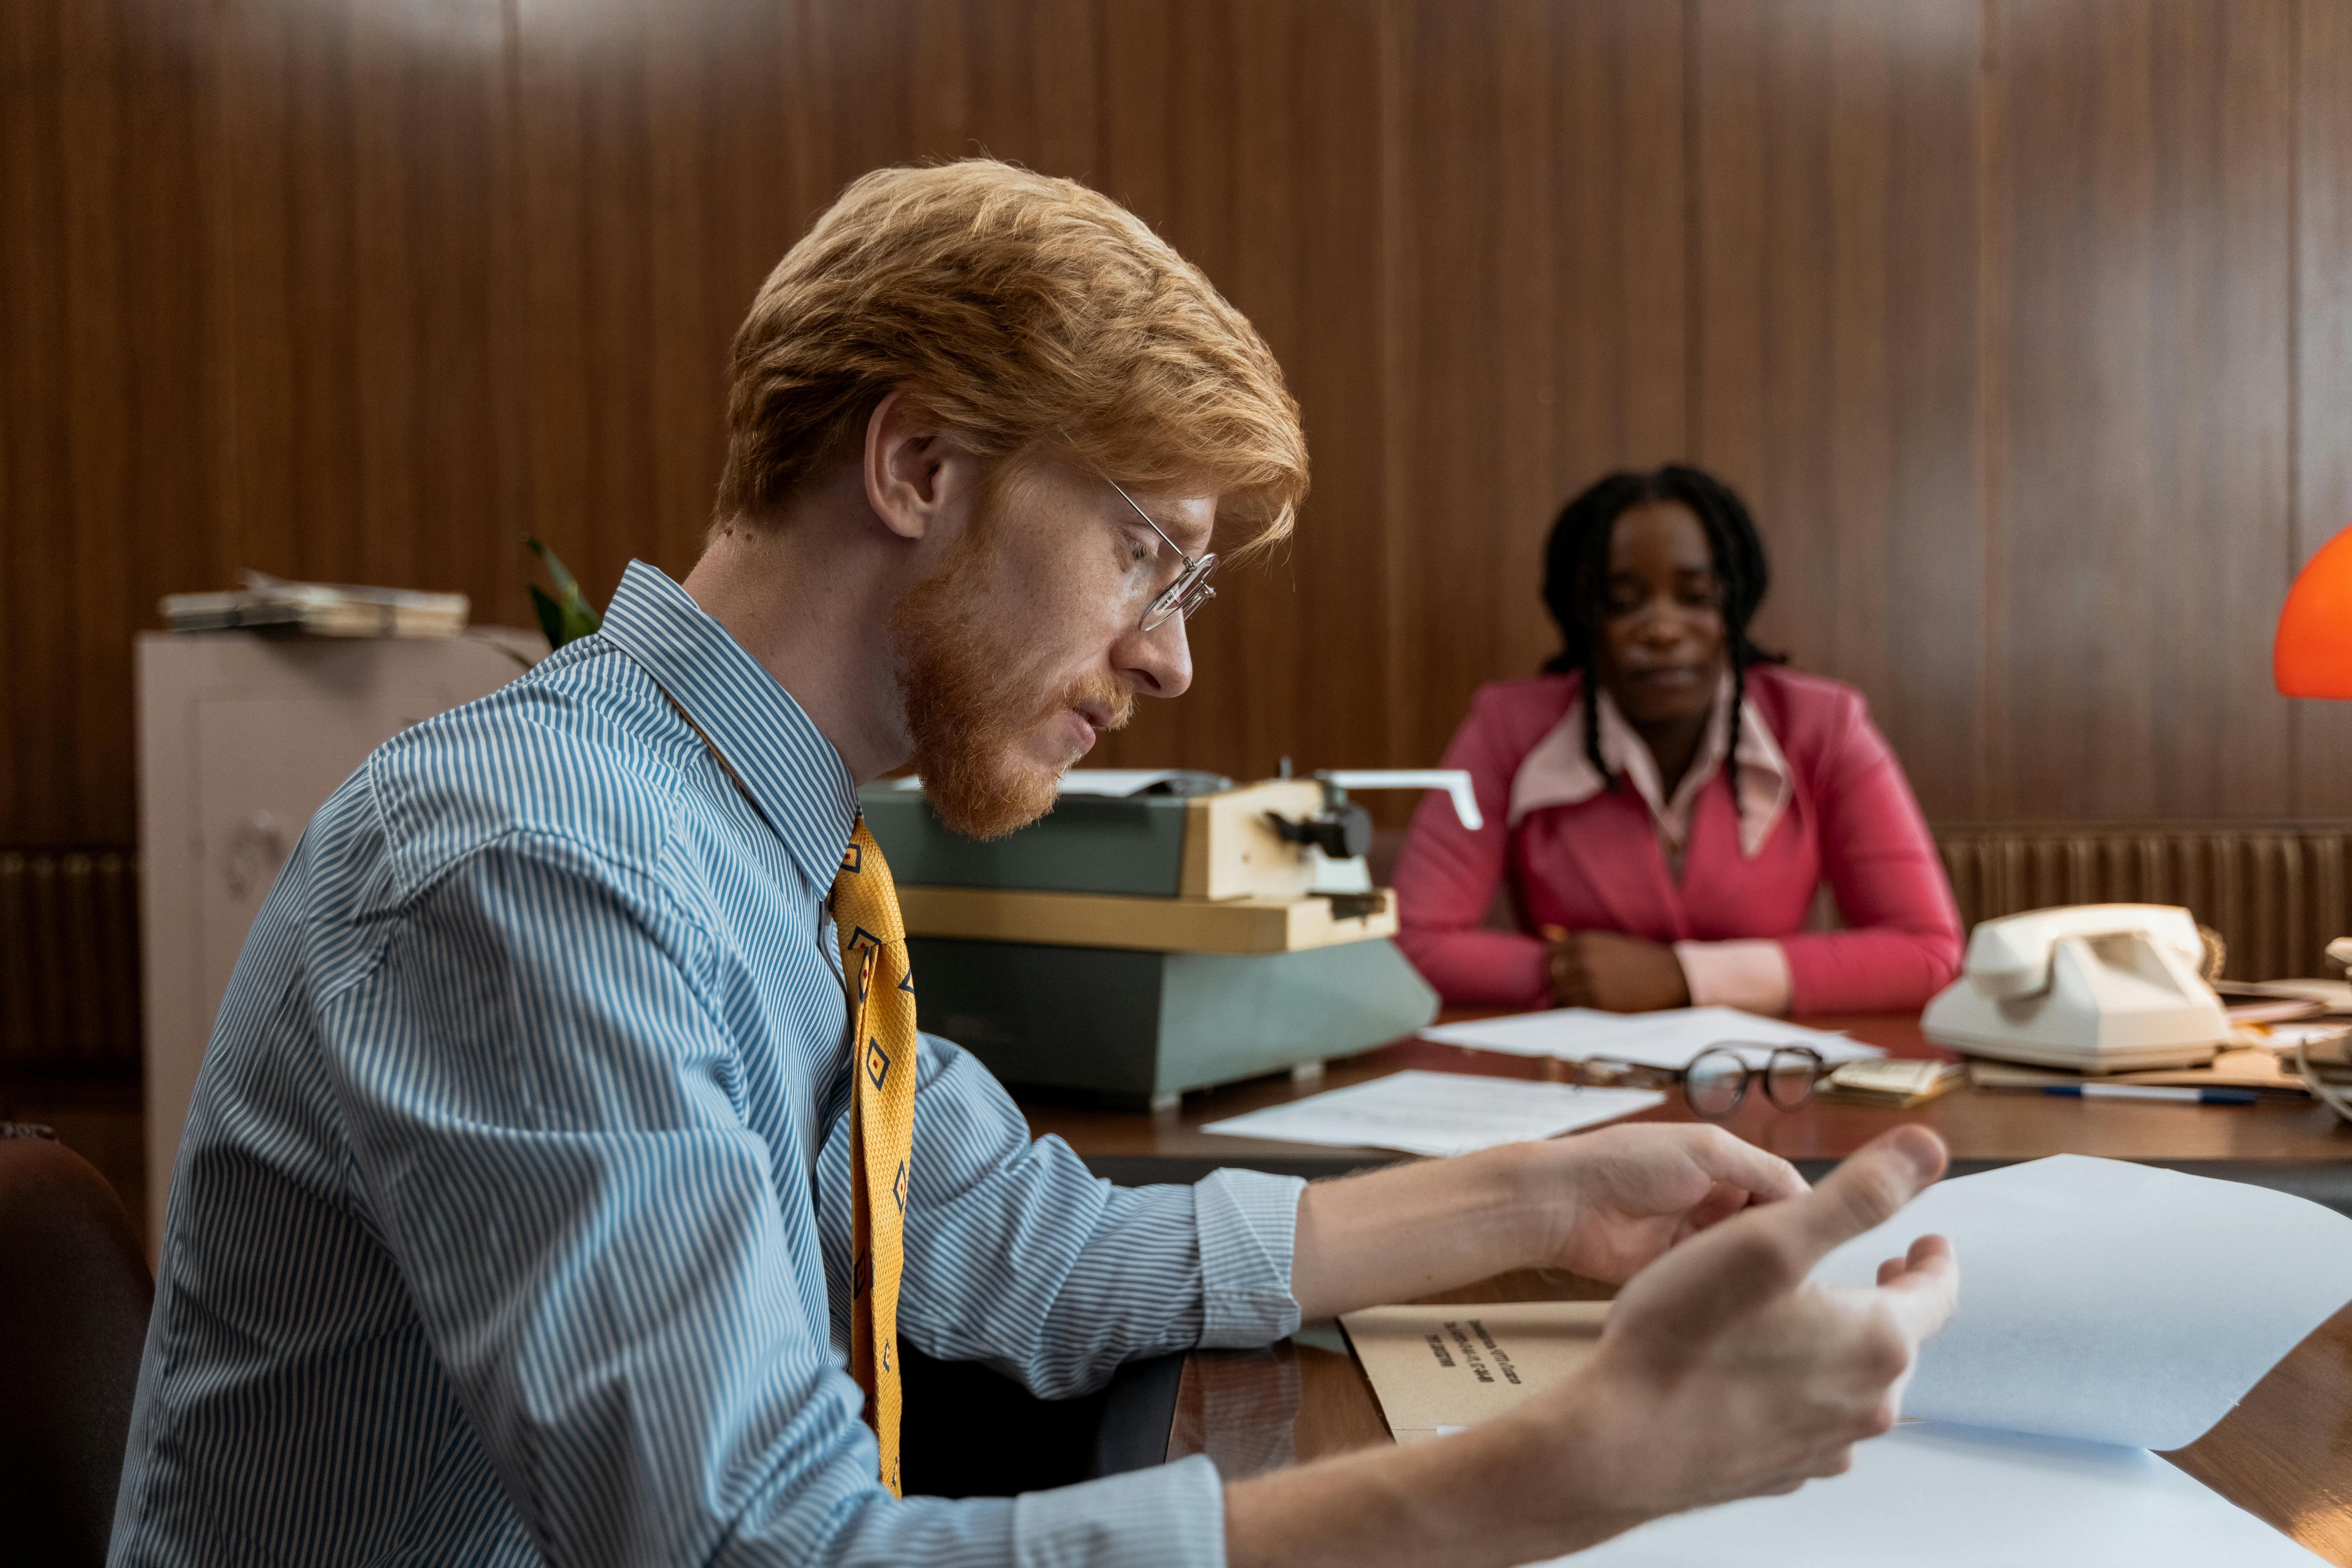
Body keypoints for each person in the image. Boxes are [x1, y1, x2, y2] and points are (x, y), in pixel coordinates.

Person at [111, 162, 1957, 1568]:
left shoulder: (764, 827)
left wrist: (1545, 1198)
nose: (1168, 655)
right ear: (917, 460)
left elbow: (1028, 1242)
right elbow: (774, 1548)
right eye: (1145, 550)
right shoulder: (547, 865)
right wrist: (1562, 1472)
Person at [1394, 466, 1964, 1016]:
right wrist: (1572, 975)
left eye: (1697, 596)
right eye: (1621, 604)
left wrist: (1683, 978)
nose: (1662, 628)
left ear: (1734, 608)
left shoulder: (1824, 725)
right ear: (1580, 617)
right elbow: (1415, 941)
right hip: (1577, 1084)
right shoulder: (1507, 727)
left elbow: (1928, 950)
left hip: (1770, 1089)